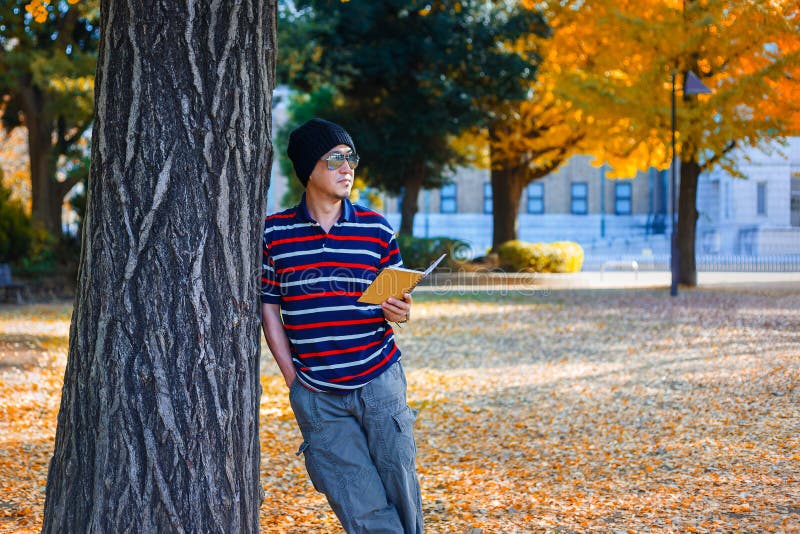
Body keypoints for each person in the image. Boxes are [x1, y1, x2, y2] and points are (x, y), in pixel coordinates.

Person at [260, 118, 423, 533]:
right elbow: (269, 307)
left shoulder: (376, 228)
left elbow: (401, 306)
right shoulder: (275, 233)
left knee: (401, 489)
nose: (346, 167)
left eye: (351, 158)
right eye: (335, 159)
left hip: (379, 380)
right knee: (358, 502)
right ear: (308, 168)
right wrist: (292, 376)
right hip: (318, 394)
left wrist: (400, 309)